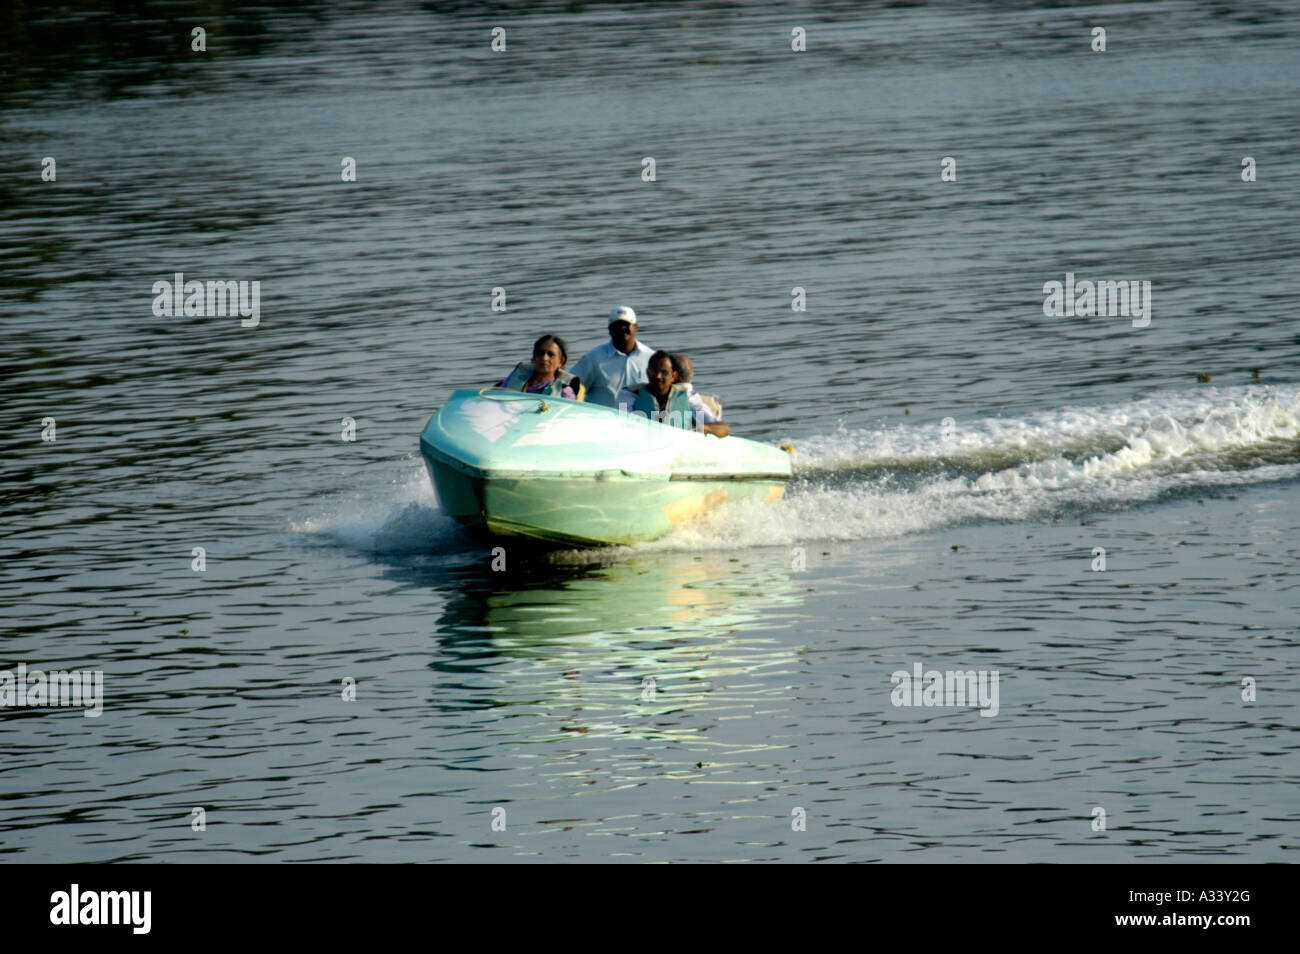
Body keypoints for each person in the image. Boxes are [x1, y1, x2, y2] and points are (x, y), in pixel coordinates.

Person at [617, 350, 730, 437]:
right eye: (654, 371)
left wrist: (700, 428)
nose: (658, 376)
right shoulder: (629, 395)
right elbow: (619, 426)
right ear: (647, 373)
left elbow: (724, 429)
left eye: (664, 372)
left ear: (673, 376)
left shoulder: (688, 397)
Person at [568, 305, 655, 408]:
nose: (622, 328)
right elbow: (569, 387)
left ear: (635, 327)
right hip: (604, 421)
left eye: (626, 324)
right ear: (610, 329)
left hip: (641, 421)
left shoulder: (651, 358)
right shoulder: (593, 359)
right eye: (617, 325)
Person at [497, 334, 580, 399]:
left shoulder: (564, 391)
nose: (544, 358)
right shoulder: (516, 377)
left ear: (561, 361)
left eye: (550, 355)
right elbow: (498, 398)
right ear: (533, 357)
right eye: (540, 353)